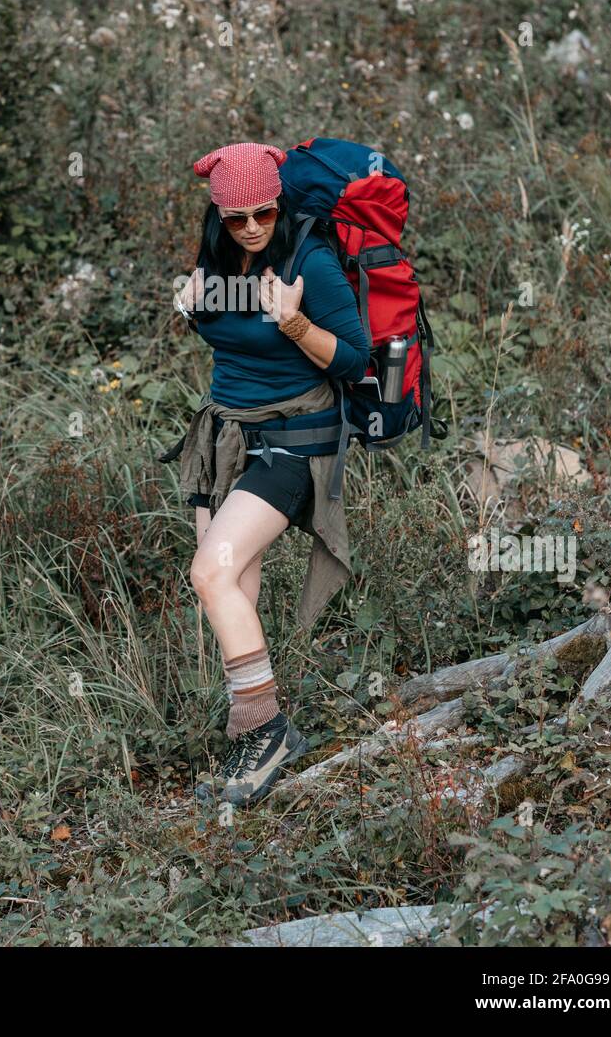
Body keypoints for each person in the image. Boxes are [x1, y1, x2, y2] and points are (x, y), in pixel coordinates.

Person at [168, 141, 369, 808]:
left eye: (263, 211)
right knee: (234, 587)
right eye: (235, 217)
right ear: (217, 216)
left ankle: (267, 730)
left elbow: (352, 359)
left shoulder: (307, 257)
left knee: (210, 571)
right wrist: (197, 313)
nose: (252, 226)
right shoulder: (220, 255)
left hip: (295, 439)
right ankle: (253, 745)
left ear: (279, 204)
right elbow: (231, 340)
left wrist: (296, 322)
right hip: (228, 434)